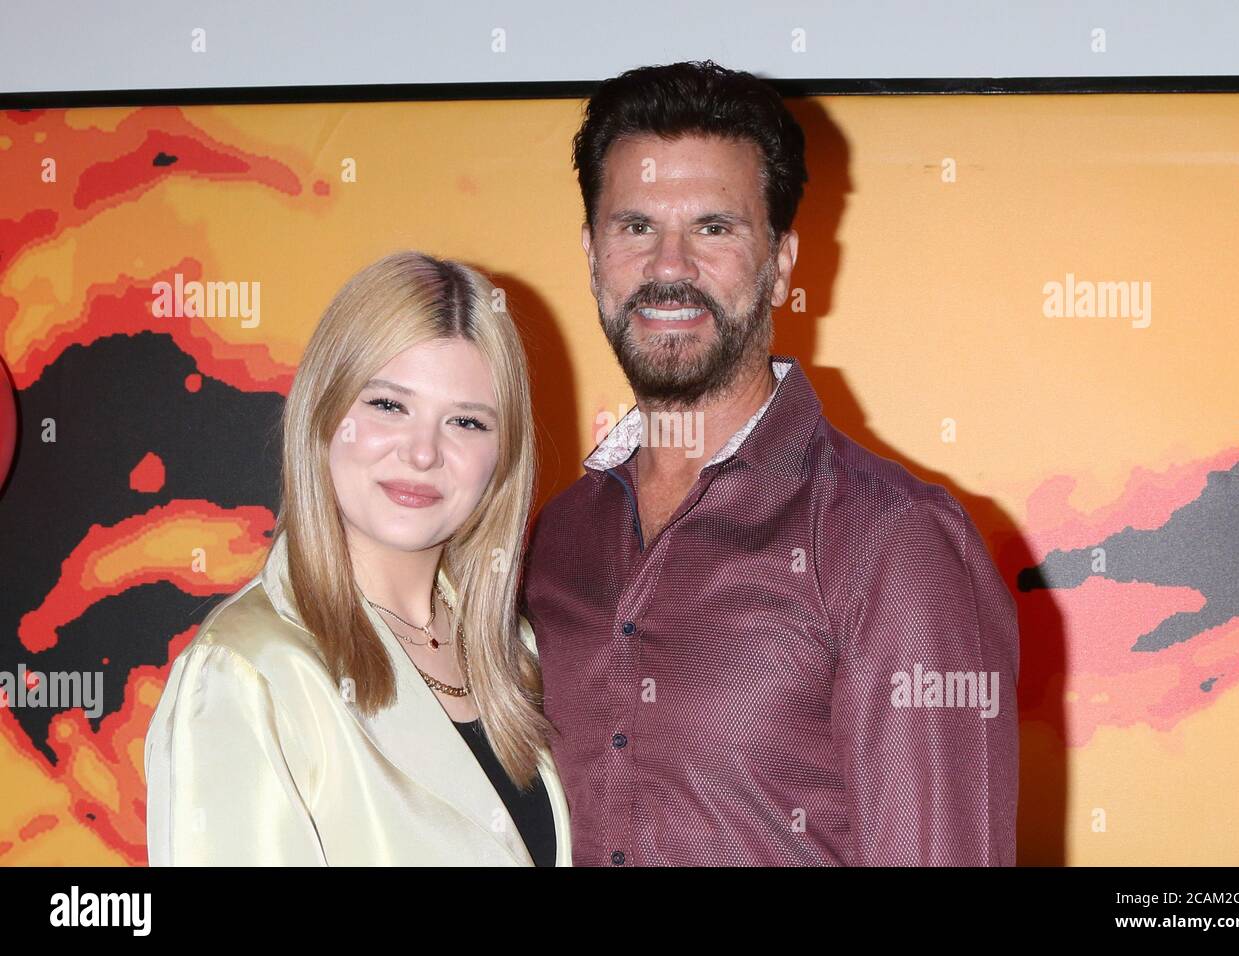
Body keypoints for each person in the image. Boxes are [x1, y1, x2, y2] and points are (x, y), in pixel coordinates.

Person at [523, 61, 1020, 866]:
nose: (670, 266)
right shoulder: (553, 539)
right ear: (591, 251)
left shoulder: (894, 543)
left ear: (782, 261)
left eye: (715, 228)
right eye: (635, 226)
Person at [145, 251, 571, 866]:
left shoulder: (517, 656)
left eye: (467, 422)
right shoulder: (246, 675)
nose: (423, 452)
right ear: (323, 412)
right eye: (388, 405)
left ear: (502, 458)